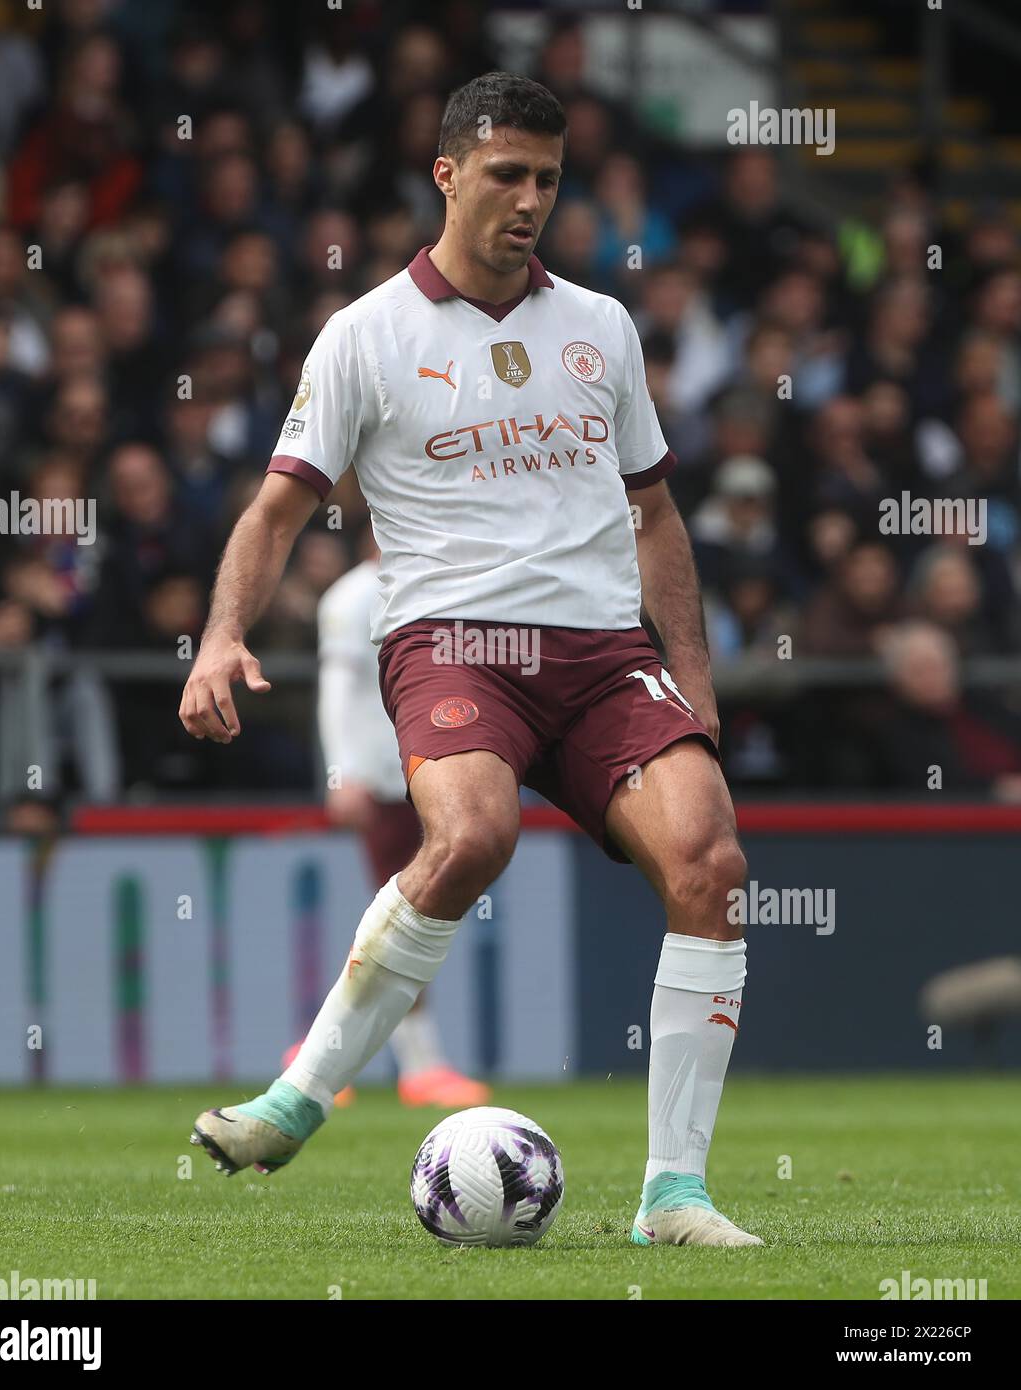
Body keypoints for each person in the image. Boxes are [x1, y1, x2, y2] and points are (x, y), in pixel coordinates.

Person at [181, 73, 758, 1247]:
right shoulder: (366, 335)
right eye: (507, 174)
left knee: (712, 860)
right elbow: (277, 511)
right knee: (473, 835)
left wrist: (689, 678)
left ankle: (674, 1196)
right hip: (456, 645)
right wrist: (223, 634)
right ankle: (299, 1097)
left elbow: (655, 515)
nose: (530, 199)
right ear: (446, 175)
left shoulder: (601, 326)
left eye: (548, 178)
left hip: (602, 657)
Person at [282, 529, 490, 1109]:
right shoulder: (351, 598)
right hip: (380, 779)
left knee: (406, 915)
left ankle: (321, 1049)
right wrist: (341, 773)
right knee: (410, 916)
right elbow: (337, 689)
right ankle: (420, 1067)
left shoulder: (439, 585)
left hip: (427, 774)